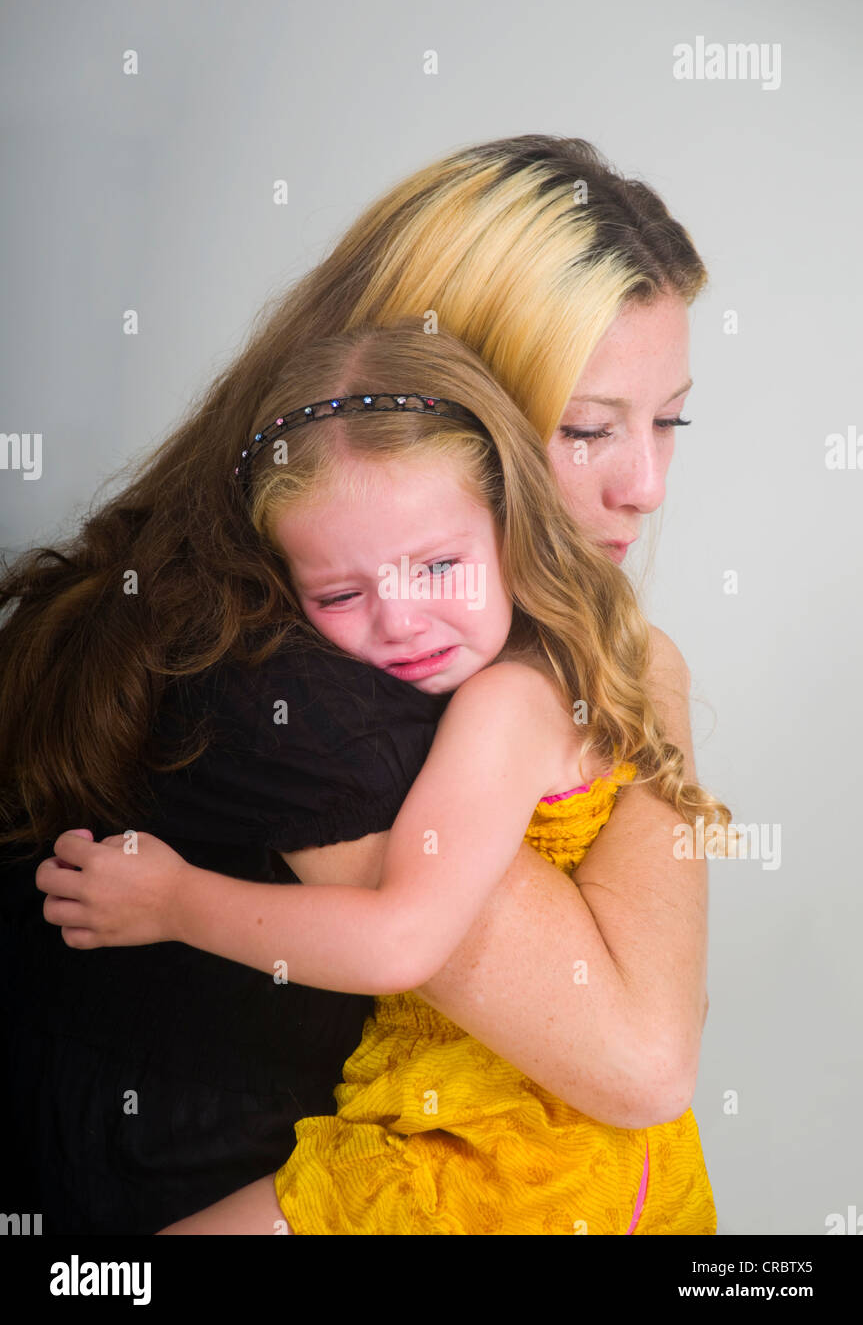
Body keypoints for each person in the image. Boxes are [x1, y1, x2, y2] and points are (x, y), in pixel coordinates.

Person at [0, 134, 715, 1234]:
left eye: (669, 418)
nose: (647, 484)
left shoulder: (441, 643)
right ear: (429, 401)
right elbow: (641, 1054)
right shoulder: (293, 688)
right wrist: (648, 672)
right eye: (585, 428)